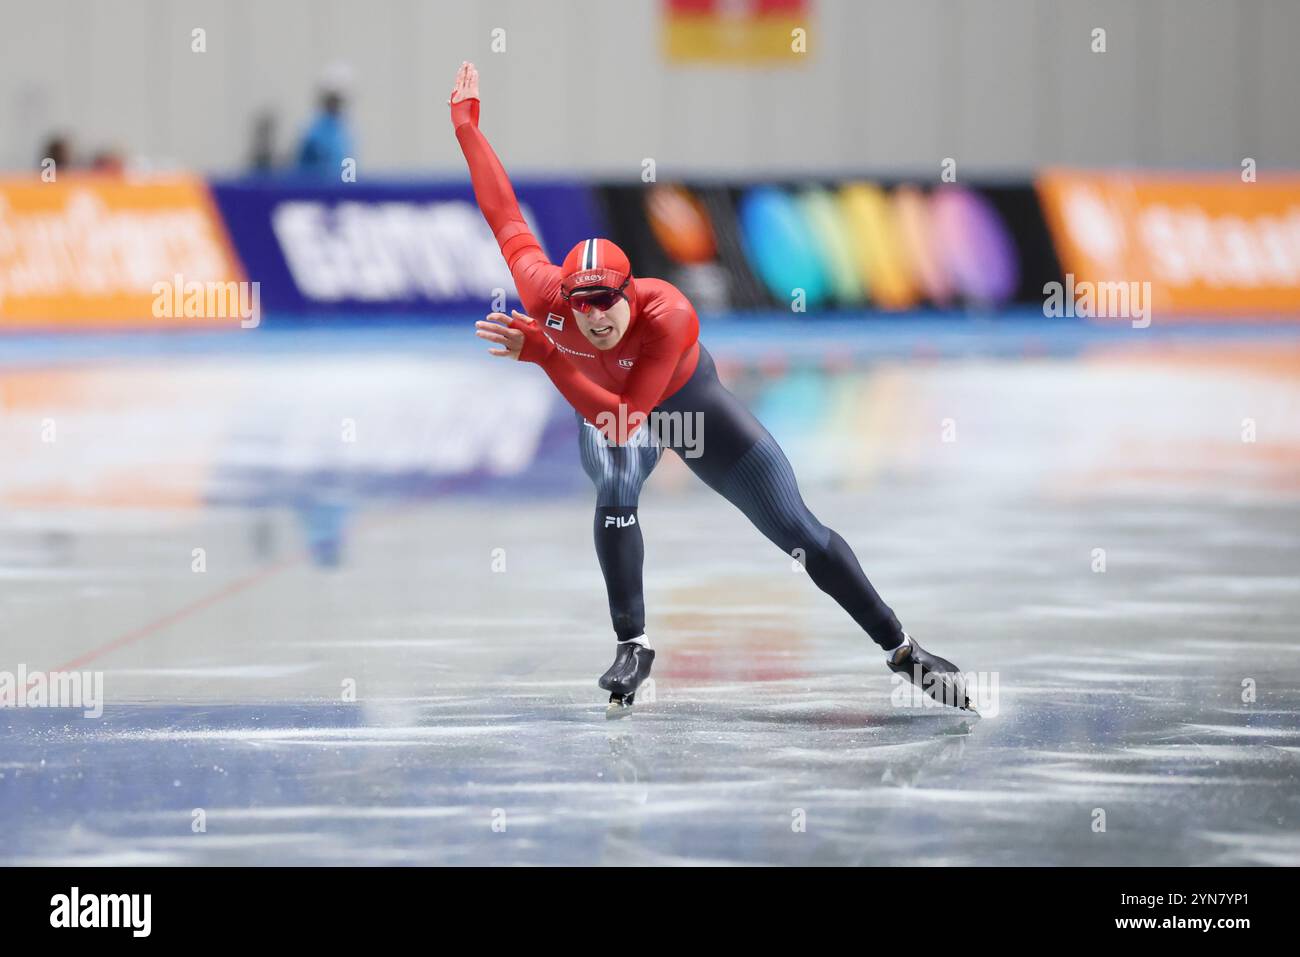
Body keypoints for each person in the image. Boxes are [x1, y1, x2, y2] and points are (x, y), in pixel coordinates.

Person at [451, 62, 972, 714]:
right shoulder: (546, 295)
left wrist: (548, 356)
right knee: (615, 486)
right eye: (581, 308)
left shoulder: (668, 314)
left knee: (799, 532)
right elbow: (500, 209)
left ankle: (903, 650)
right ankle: (633, 643)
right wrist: (467, 127)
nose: (594, 320)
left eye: (605, 305)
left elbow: (622, 418)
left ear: (629, 292)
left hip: (685, 409)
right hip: (614, 414)